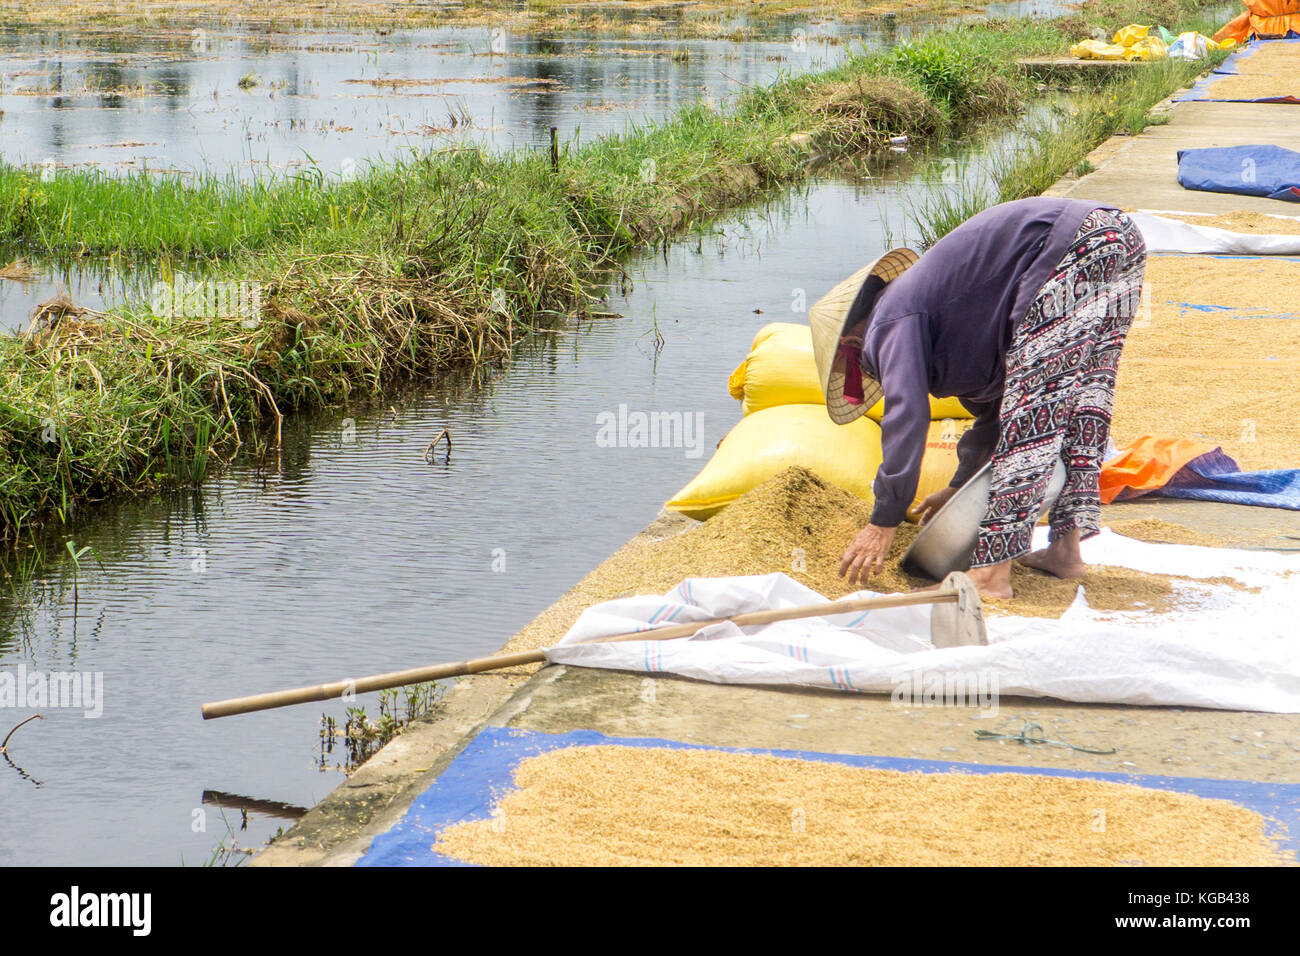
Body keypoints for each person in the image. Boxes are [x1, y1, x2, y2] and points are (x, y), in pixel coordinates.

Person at [809, 198, 1147, 599]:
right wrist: (957, 487)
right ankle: (1065, 550)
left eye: (862, 367)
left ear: (851, 342)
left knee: (1034, 411)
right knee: (1082, 397)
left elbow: (908, 415)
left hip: (1072, 245)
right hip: (1118, 238)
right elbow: (994, 408)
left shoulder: (888, 321)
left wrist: (884, 520)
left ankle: (990, 576)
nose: (869, 371)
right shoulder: (941, 313)